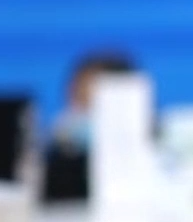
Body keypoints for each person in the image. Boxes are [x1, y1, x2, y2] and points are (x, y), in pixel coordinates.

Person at [41, 50, 138, 203]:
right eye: (77, 97)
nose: (80, 113)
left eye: (89, 101)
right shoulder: (53, 155)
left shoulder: (152, 156)